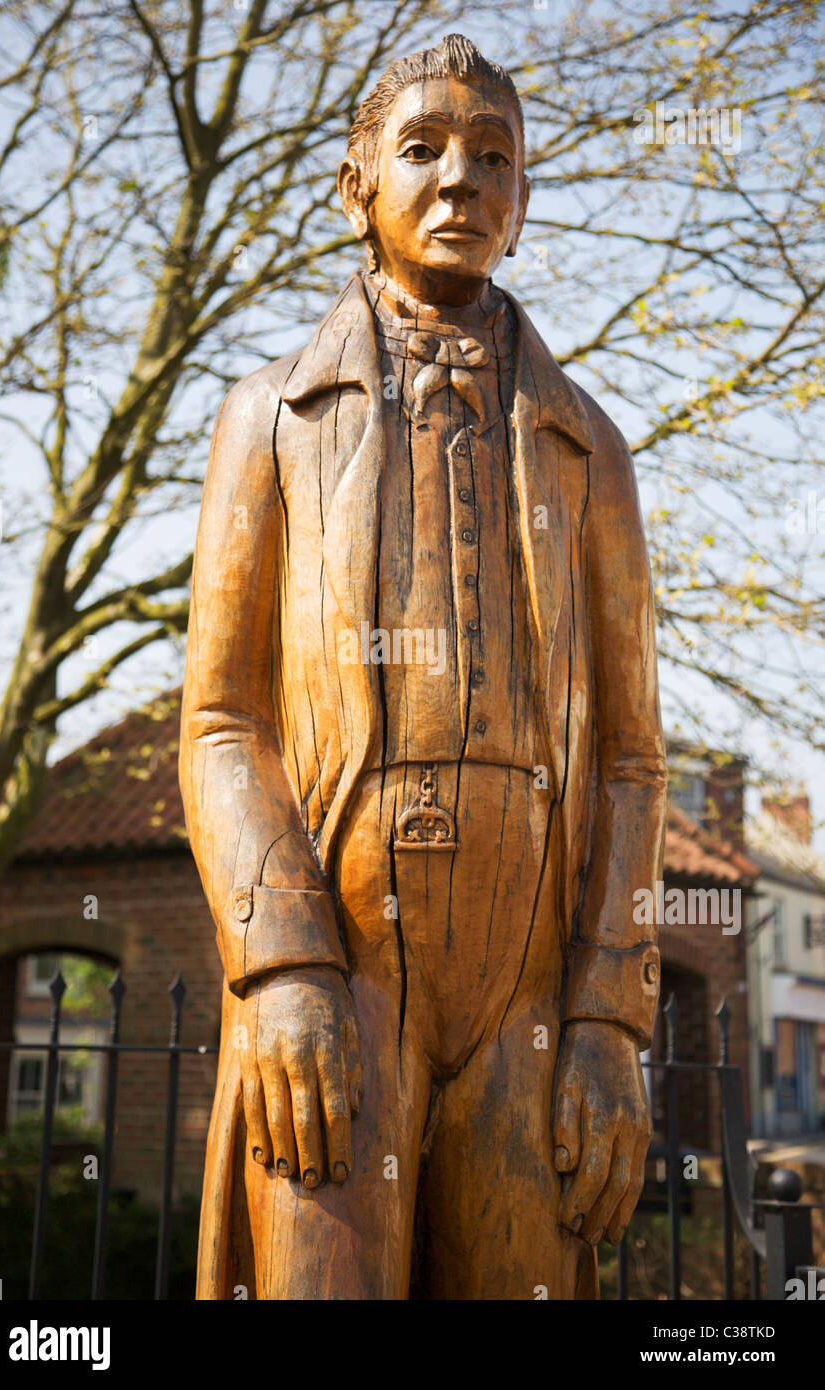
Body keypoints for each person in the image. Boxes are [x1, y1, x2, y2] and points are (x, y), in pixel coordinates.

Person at [180, 33, 667, 1300]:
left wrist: (608, 1017)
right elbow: (222, 721)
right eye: (422, 148)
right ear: (358, 188)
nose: (461, 178)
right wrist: (284, 965)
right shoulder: (268, 417)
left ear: (522, 199)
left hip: (528, 987)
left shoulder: (589, 449)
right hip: (343, 966)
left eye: (492, 157)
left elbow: (630, 759)